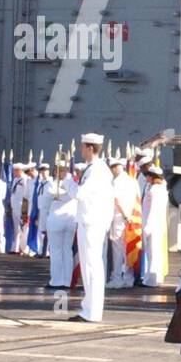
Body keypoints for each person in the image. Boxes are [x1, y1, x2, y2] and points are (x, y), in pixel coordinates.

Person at [72, 134, 114, 322]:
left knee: (92, 266)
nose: (81, 150)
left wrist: (66, 180)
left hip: (92, 222)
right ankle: (88, 308)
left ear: (90, 148)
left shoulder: (96, 170)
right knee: (89, 266)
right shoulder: (97, 169)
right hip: (90, 221)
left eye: (83, 147)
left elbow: (81, 194)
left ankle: (93, 312)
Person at [107, 158, 140, 289]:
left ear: (115, 168)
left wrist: (125, 215)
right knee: (129, 248)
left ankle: (116, 278)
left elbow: (116, 201)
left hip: (120, 217)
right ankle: (128, 277)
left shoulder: (116, 182)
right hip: (132, 218)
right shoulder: (133, 181)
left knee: (118, 250)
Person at [46, 159, 79, 288]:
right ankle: (66, 281)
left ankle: (56, 280)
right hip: (70, 220)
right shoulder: (74, 184)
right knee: (67, 251)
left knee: (56, 250)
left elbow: (49, 197)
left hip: (56, 219)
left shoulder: (52, 183)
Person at [140, 164, 169, 287]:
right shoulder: (161, 189)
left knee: (152, 253)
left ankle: (152, 280)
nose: (146, 178)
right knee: (154, 252)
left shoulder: (155, 190)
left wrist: (148, 227)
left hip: (152, 224)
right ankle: (153, 278)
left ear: (153, 177)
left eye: (148, 176)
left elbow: (153, 210)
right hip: (157, 224)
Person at [8, 164, 30, 254]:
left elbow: (26, 195)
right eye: (14, 170)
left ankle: (24, 248)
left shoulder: (25, 179)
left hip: (22, 207)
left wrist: (25, 209)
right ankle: (16, 248)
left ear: (21, 170)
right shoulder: (15, 180)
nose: (14, 172)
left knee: (23, 228)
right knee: (16, 229)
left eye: (16, 170)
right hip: (15, 207)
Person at [33, 163, 52, 258]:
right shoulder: (40, 183)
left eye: (44, 171)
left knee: (48, 231)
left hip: (48, 210)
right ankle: (41, 250)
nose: (43, 173)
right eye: (41, 171)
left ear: (48, 171)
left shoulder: (51, 183)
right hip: (41, 209)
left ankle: (47, 251)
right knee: (40, 231)